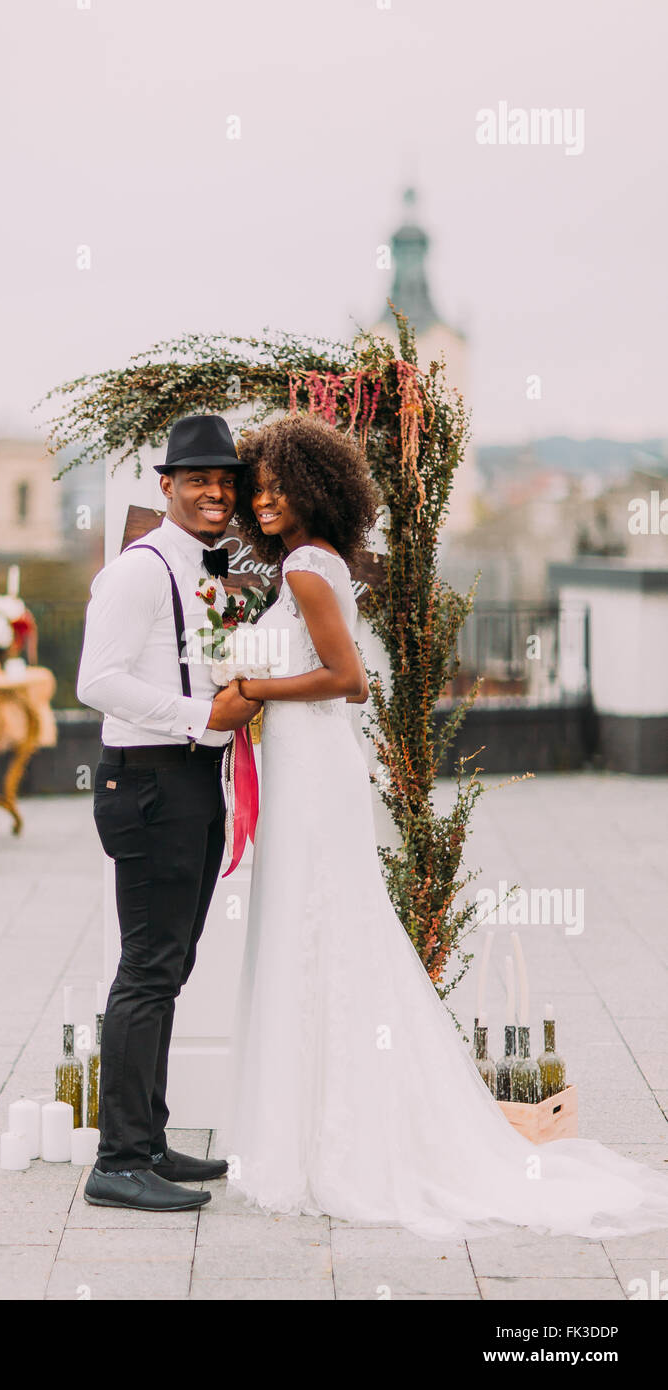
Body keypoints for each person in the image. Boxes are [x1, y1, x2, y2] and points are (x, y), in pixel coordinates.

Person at [216, 411, 668, 1240]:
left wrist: (252, 688)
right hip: (306, 774)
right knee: (321, 931)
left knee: (320, 929)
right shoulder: (305, 567)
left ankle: (334, 1140)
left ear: (316, 488)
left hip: (315, 781)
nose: (268, 498)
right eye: (260, 488)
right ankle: (323, 1127)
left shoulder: (311, 570)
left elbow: (348, 680)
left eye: (283, 485)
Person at [77, 413, 260, 1213]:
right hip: (148, 782)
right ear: (167, 486)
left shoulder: (205, 570)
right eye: (199, 479)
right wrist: (202, 717)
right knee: (147, 970)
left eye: (226, 480)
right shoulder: (142, 570)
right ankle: (117, 1160)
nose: (216, 491)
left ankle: (148, 1139)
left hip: (189, 783)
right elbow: (98, 680)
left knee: (170, 966)